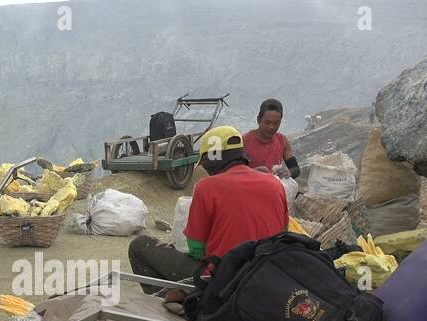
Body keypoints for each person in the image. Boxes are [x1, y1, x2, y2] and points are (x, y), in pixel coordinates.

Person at [128, 125, 289, 292]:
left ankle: (178, 309)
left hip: (223, 282)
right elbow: (283, 233)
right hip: (266, 277)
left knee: (140, 245)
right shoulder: (274, 184)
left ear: (212, 159)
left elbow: (196, 249)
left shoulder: (207, 187)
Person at [243, 98, 301, 179]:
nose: (271, 127)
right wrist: (254, 173)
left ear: (280, 122)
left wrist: (288, 172)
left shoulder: (282, 141)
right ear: (259, 120)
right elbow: (234, 172)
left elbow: (295, 169)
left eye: (276, 123)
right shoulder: (244, 141)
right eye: (267, 123)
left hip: (274, 187)